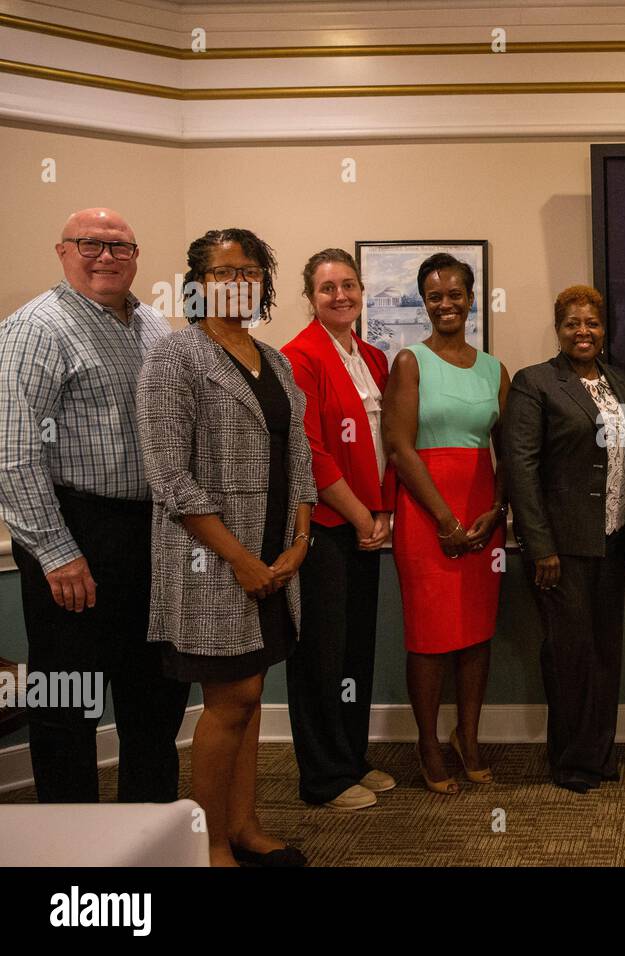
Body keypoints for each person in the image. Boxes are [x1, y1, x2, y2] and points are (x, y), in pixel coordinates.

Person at [137, 227, 316, 867]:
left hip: (276, 555)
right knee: (228, 702)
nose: (236, 282)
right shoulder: (175, 357)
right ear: (197, 283)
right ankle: (208, 844)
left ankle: (244, 825)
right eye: (222, 271)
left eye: (249, 271)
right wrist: (237, 557)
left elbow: (299, 459)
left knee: (250, 698)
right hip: (210, 558)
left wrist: (298, 540)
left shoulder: (279, 360)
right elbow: (168, 475)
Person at [0, 208, 189, 804]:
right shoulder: (38, 327)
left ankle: (148, 833)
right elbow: (11, 449)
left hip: (151, 535)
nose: (106, 256)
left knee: (154, 697)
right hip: (75, 531)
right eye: (90, 244)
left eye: (120, 247)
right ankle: (71, 847)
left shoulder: (154, 326)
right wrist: (56, 553)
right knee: (69, 702)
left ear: (136, 256)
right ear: (62, 251)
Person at [502, 285, 625, 793]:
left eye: (591, 323)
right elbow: (520, 469)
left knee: (606, 652)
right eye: (572, 323)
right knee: (569, 654)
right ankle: (570, 761)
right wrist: (539, 545)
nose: (583, 332)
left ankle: (601, 755)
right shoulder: (535, 384)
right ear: (559, 328)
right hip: (561, 548)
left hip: (614, 542)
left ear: (604, 328)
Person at [384, 253, 509, 795]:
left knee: (477, 634)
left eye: (456, 294)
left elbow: (510, 451)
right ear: (424, 302)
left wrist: (497, 509)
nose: (446, 304)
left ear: (472, 298)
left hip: (483, 510)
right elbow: (399, 446)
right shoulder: (409, 362)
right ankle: (429, 743)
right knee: (431, 637)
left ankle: (470, 736)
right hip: (426, 509)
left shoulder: (494, 369)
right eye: (435, 296)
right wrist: (444, 518)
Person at [281, 249, 396, 811]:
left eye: (348, 285)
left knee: (356, 650)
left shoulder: (374, 357)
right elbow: (311, 451)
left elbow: (390, 441)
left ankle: (352, 759)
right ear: (311, 297)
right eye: (328, 288)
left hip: (370, 525)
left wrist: (385, 513)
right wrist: (360, 516)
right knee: (321, 655)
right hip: (326, 528)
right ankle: (322, 777)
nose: (340, 296)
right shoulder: (298, 358)